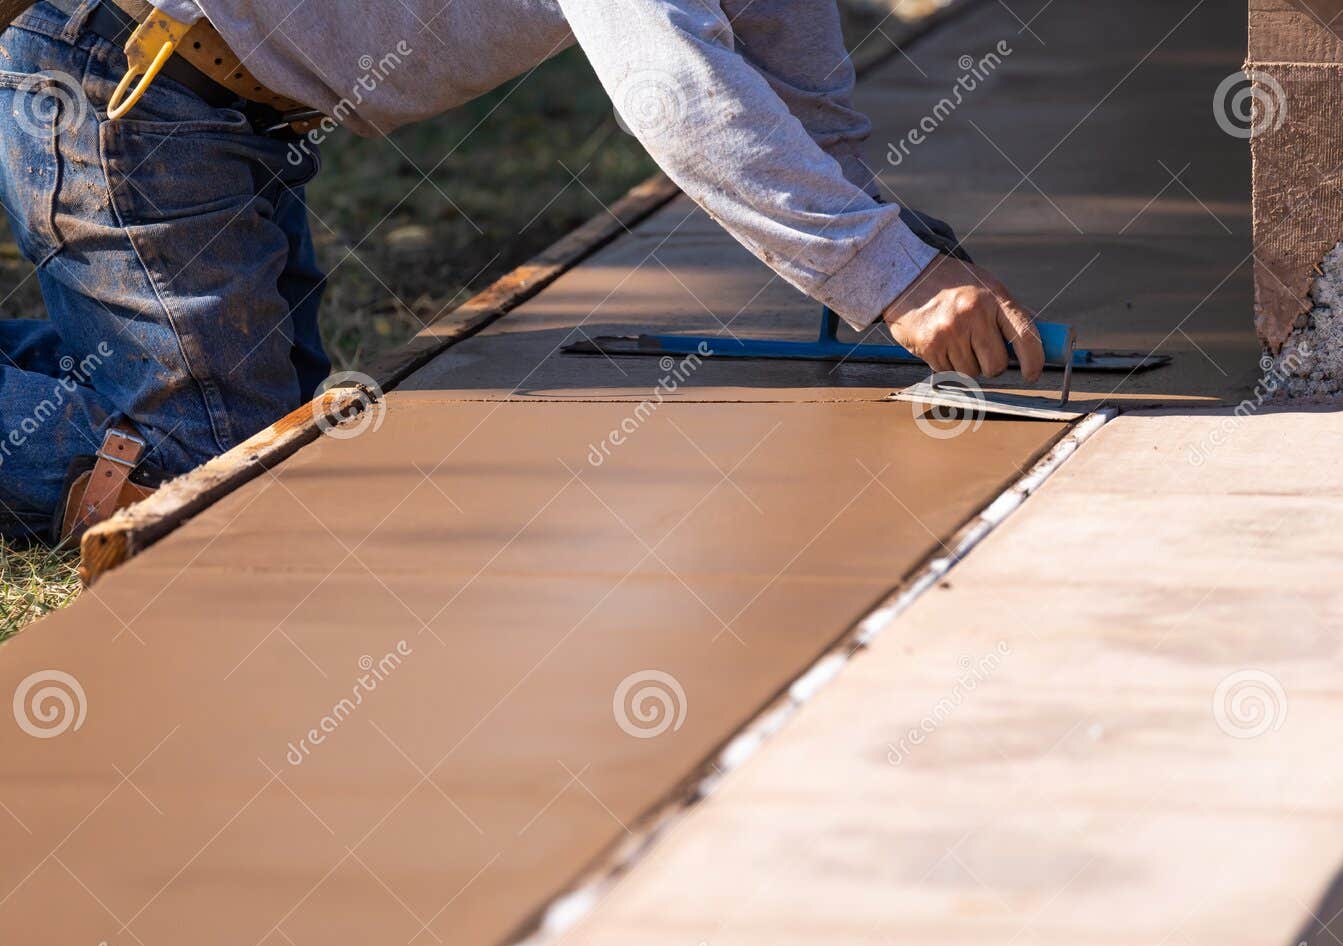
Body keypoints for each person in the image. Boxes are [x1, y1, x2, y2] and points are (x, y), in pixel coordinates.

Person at [0, 0, 1043, 543]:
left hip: (215, 109)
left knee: (274, 430)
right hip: (126, 93)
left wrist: (889, 243)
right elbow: (677, 91)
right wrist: (892, 278)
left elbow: (790, 70)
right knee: (199, 474)